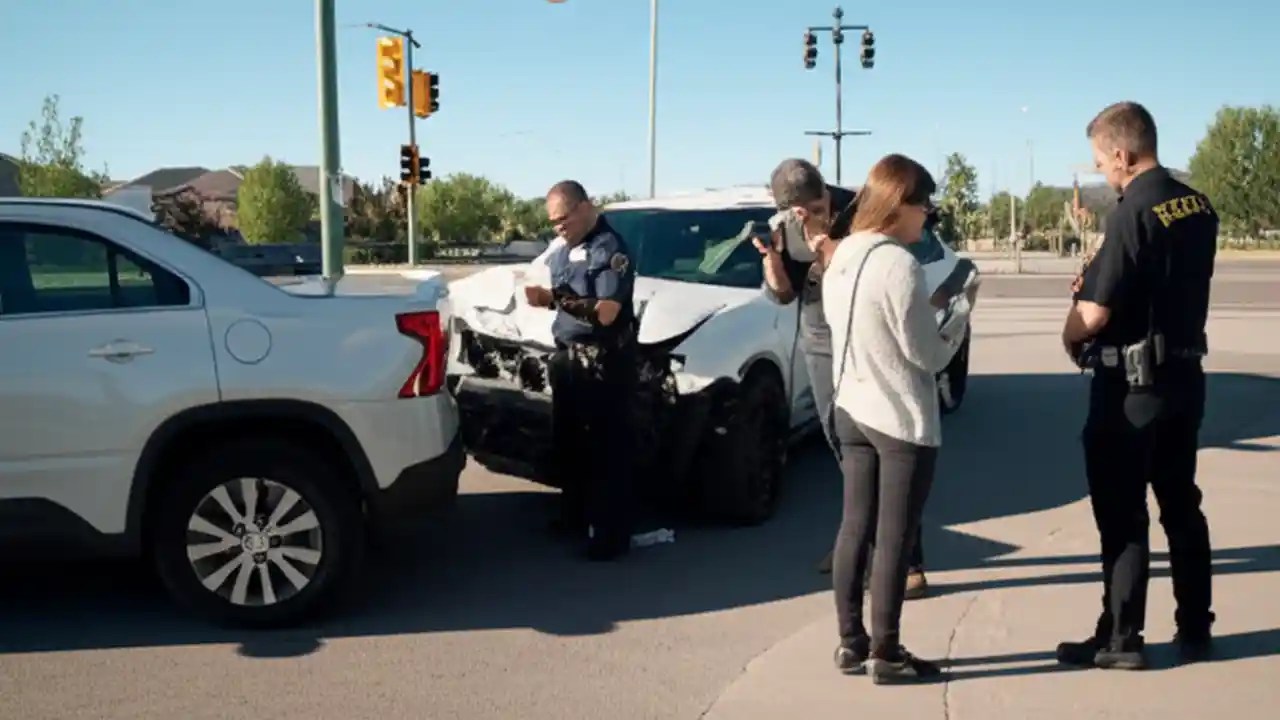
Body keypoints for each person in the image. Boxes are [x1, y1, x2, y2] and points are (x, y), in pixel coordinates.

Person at [1057, 101, 1217, 669]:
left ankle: (1121, 637)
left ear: (1122, 154)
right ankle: (1195, 627)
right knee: (1181, 504)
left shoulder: (1132, 210)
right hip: (1184, 377)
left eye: (1102, 162)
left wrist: (1069, 331)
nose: (1103, 171)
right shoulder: (1197, 205)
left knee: (1123, 514)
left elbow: (1096, 311)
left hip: (1130, 386)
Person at [823, 153, 973, 683]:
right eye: (923, 206)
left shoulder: (839, 256)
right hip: (898, 418)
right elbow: (926, 356)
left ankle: (849, 642)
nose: (927, 217)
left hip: (851, 406)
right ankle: (887, 653)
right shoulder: (899, 264)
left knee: (853, 528)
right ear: (898, 205)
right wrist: (956, 319)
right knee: (895, 539)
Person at [756, 158, 930, 598]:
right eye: (797, 211)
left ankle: (909, 561)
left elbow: (897, 258)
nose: (806, 217)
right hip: (821, 343)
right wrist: (772, 260)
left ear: (825, 193)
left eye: (814, 206)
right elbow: (783, 295)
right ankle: (856, 544)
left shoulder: (861, 209)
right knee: (844, 446)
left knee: (891, 448)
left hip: (870, 339)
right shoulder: (785, 225)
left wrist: (828, 249)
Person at [525, 180, 639, 561]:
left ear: (585, 207)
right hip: (569, 358)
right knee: (570, 444)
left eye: (563, 219)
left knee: (607, 451)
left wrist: (552, 299)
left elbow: (607, 312)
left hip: (604, 361)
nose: (559, 227)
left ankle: (610, 535)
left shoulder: (610, 250)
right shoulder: (561, 251)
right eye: (553, 222)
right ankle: (574, 517)